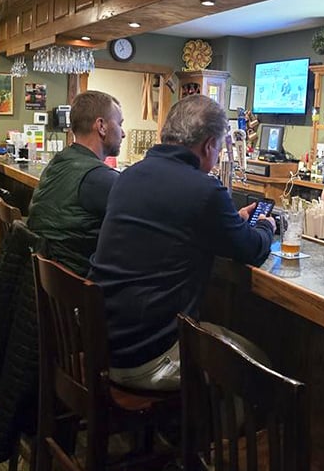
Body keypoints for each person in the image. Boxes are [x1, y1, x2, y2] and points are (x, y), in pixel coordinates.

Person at [89, 94, 276, 389]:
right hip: (148, 357)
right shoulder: (204, 190)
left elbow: (174, 224)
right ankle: (219, 436)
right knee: (260, 366)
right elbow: (250, 249)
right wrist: (265, 225)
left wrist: (232, 219)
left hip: (103, 343)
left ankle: (184, 430)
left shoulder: (128, 176)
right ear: (209, 146)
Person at [27, 90, 125, 275]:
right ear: (101, 126)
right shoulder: (100, 178)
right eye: (120, 124)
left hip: (46, 280)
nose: (123, 133)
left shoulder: (59, 161)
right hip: (78, 288)